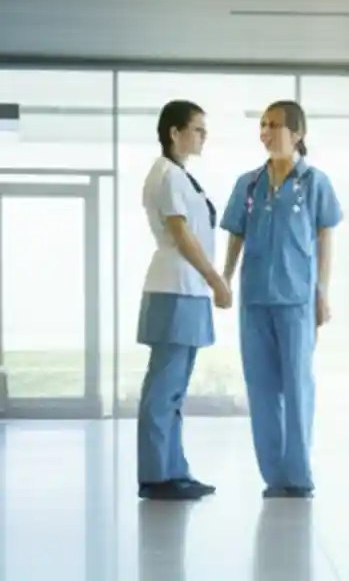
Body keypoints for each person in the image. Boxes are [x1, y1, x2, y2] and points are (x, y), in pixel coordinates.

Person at [221, 100, 343, 499]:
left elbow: (325, 239)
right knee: (261, 388)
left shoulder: (315, 183)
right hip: (255, 299)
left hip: (296, 300)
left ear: (297, 132)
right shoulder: (248, 184)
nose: (266, 132)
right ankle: (275, 477)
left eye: (274, 125)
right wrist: (225, 278)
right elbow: (236, 234)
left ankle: (299, 475)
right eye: (262, 125)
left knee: (297, 387)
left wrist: (322, 292)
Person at [136, 100, 232, 501]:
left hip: (186, 289)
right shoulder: (167, 175)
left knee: (174, 388)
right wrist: (215, 279)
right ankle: (157, 475)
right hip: (174, 288)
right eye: (197, 129)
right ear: (174, 132)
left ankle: (174, 470)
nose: (203, 136)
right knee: (164, 387)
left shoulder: (179, 175)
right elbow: (182, 235)